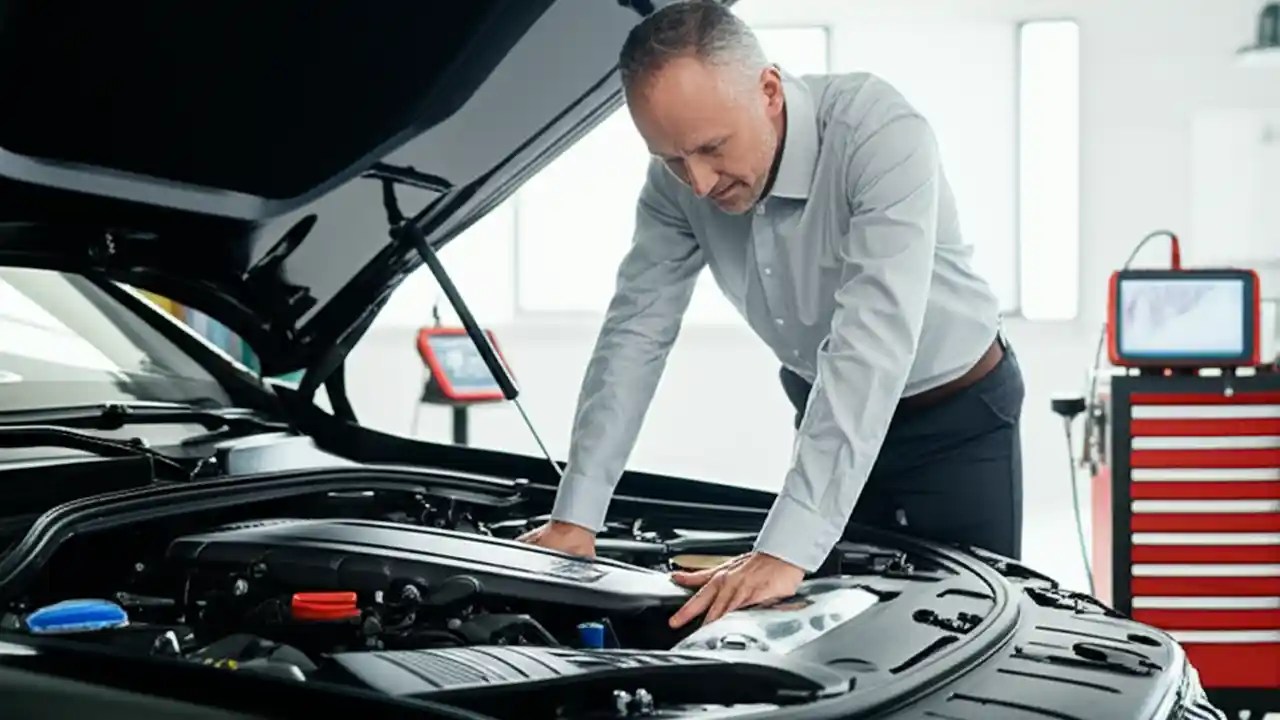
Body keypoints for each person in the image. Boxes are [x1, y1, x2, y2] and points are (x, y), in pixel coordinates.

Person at [518, 0, 1024, 630]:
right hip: (824, 409)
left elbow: (870, 343)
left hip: (955, 419)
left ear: (769, 91)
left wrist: (784, 547)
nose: (697, 184)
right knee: (849, 642)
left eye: (711, 148)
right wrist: (577, 515)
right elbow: (634, 333)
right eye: (672, 159)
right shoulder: (677, 186)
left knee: (969, 634)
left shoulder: (879, 133)